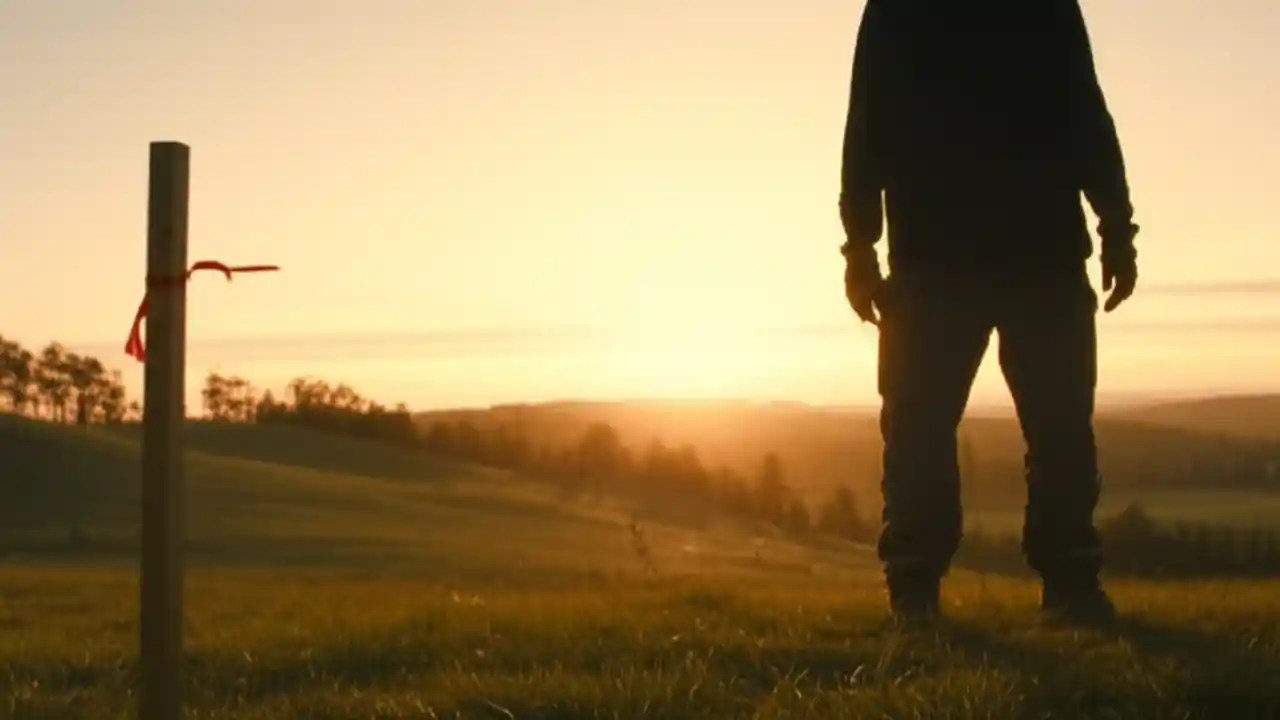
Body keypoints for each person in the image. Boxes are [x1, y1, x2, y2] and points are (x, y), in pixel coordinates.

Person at [838, 0, 1139, 624]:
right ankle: (1064, 586)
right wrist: (1114, 226)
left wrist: (861, 246)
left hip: (958, 253)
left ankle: (925, 590)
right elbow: (1086, 111)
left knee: (927, 431)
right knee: (1048, 432)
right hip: (1023, 251)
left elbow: (868, 122)